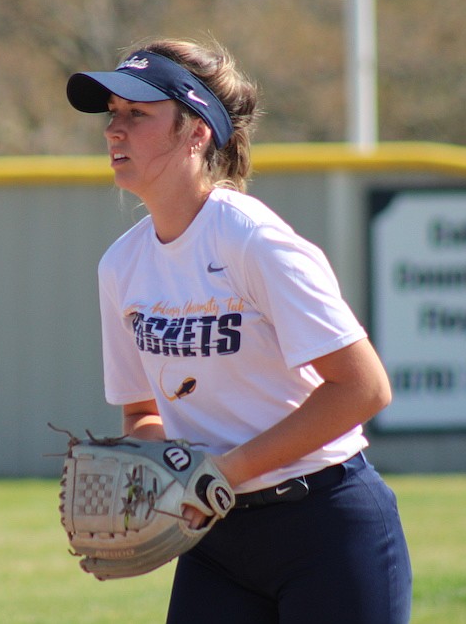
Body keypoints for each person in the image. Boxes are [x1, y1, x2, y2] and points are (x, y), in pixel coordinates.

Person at [66, 37, 412, 624]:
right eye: (112, 115)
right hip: (216, 539)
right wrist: (155, 482)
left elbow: (363, 389)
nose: (113, 130)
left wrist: (220, 473)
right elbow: (142, 414)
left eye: (137, 114)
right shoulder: (120, 267)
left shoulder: (251, 240)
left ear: (195, 131)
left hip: (325, 523)